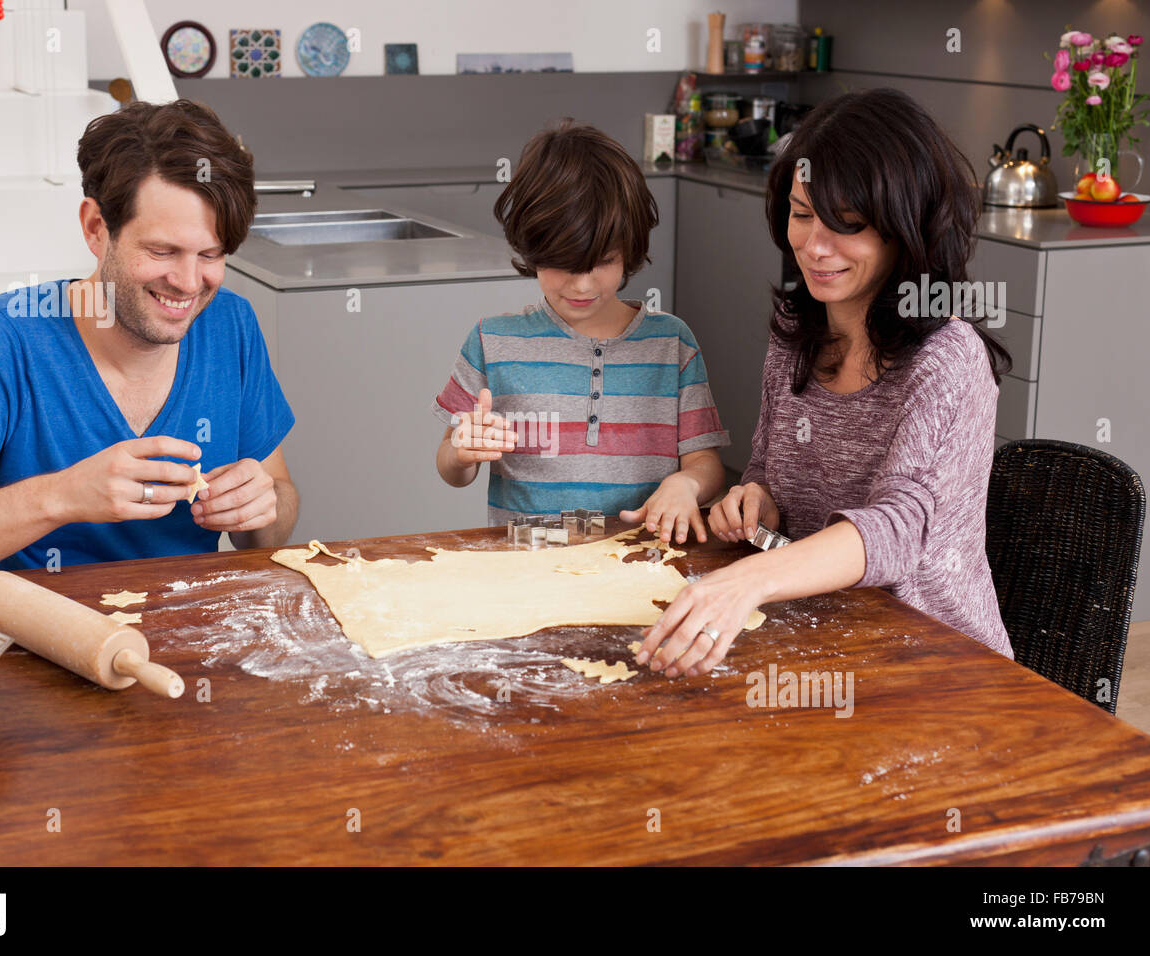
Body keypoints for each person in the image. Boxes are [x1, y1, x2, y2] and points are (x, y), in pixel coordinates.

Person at [639, 88, 1014, 677]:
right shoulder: (797, 332)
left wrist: (747, 580)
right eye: (802, 213)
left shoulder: (948, 359)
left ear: (906, 228)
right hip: (822, 645)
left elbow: (898, 530)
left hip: (937, 671)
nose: (814, 247)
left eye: (849, 224)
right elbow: (768, 472)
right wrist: (757, 502)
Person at [0, 100, 299, 578]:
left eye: (210, 254)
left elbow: (278, 505)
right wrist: (61, 497)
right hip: (29, 640)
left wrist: (261, 507)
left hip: (184, 636)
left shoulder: (231, 324)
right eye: (161, 250)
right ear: (95, 229)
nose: (190, 284)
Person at [432, 119, 727, 544]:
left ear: (630, 249)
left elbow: (706, 463)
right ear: (531, 250)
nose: (583, 285)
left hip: (640, 560)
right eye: (563, 264)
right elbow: (450, 467)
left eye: (603, 262)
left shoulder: (672, 344)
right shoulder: (491, 342)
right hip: (528, 566)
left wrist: (688, 484)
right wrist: (462, 453)